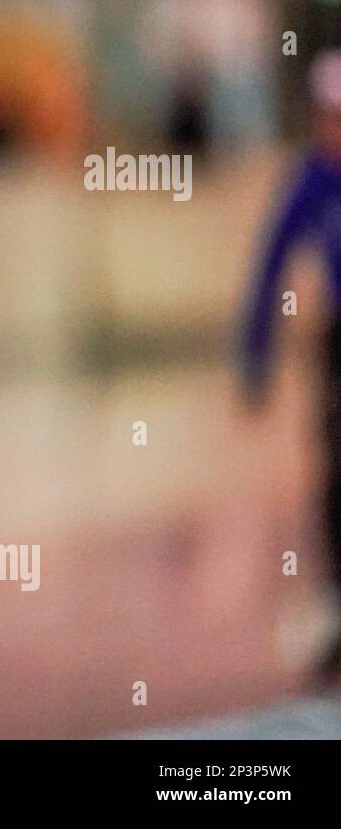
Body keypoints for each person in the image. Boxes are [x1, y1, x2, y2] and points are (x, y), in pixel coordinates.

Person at [240, 48, 341, 689]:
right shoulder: (309, 180)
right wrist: (256, 357)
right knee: (335, 472)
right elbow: (270, 267)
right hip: (338, 342)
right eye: (325, 117)